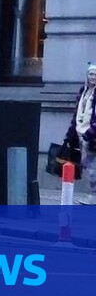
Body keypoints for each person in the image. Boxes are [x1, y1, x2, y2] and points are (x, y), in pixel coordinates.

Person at [64, 63, 96, 203]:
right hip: (80, 134)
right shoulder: (83, 91)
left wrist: (90, 133)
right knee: (86, 165)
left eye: (95, 74)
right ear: (87, 76)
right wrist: (69, 134)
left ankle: (93, 196)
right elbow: (77, 114)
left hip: (91, 136)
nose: (93, 77)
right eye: (91, 74)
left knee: (91, 166)